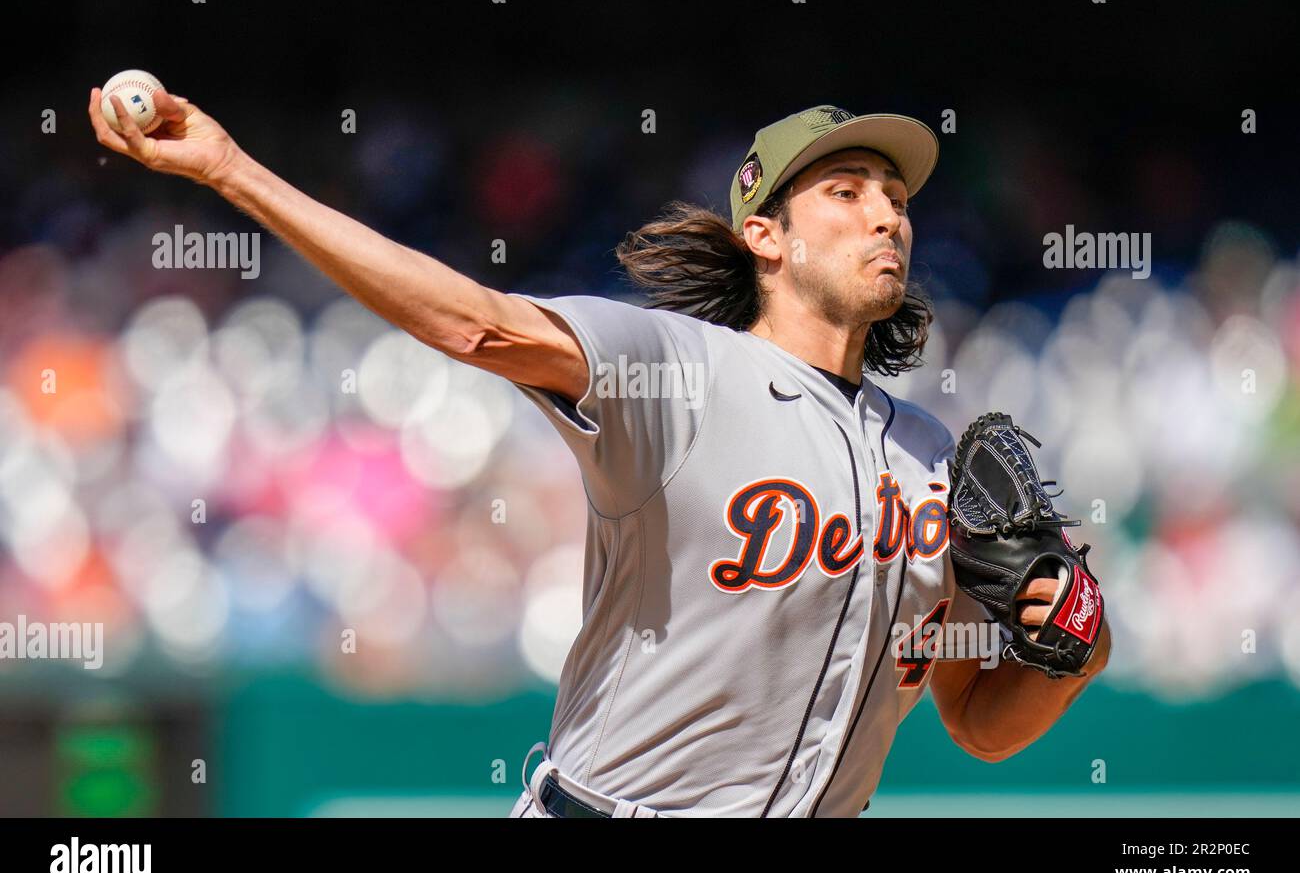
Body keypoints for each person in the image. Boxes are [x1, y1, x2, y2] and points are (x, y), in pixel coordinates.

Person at [89, 91, 1111, 818]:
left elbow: (979, 721)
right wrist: (230, 168)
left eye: (895, 195)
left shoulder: (931, 459)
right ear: (764, 235)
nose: (886, 212)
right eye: (845, 190)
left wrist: (1073, 653)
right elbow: (473, 325)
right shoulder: (673, 368)